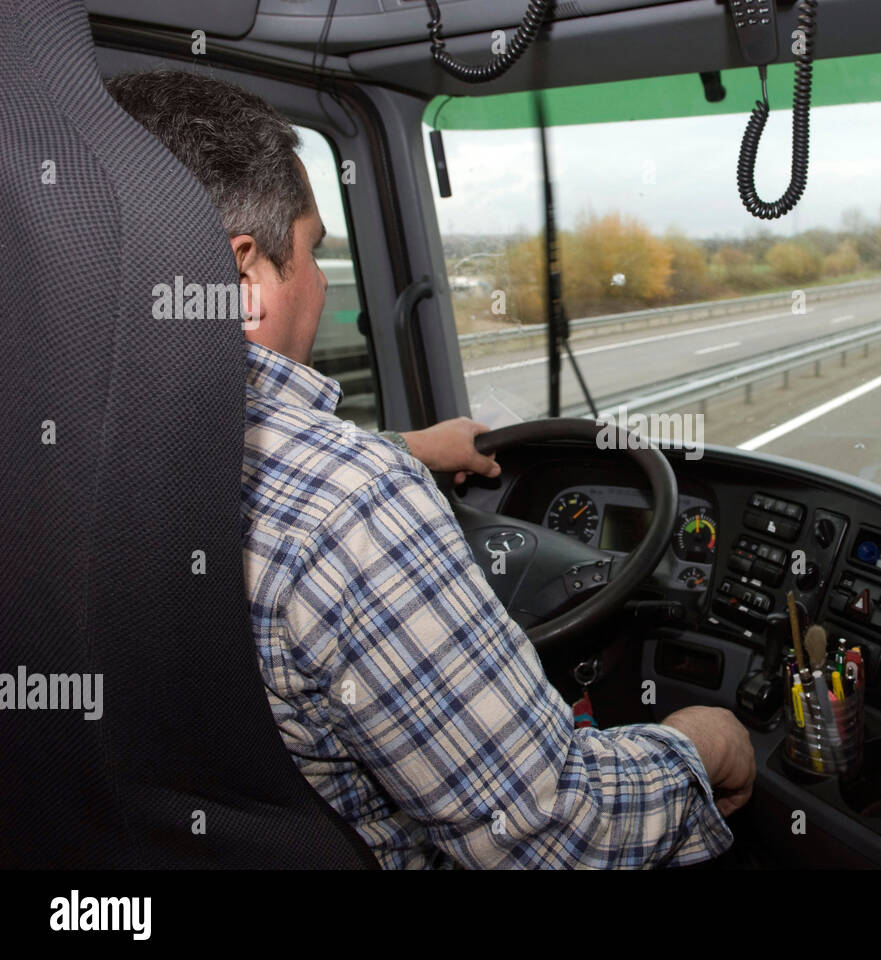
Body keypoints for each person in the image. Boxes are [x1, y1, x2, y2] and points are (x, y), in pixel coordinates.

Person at [105, 69, 755, 868]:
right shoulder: (352, 508)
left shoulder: (69, 457)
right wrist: (700, 742)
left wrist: (413, 446)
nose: (318, 282)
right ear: (244, 282)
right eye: (310, 251)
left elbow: (262, 475)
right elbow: (557, 837)